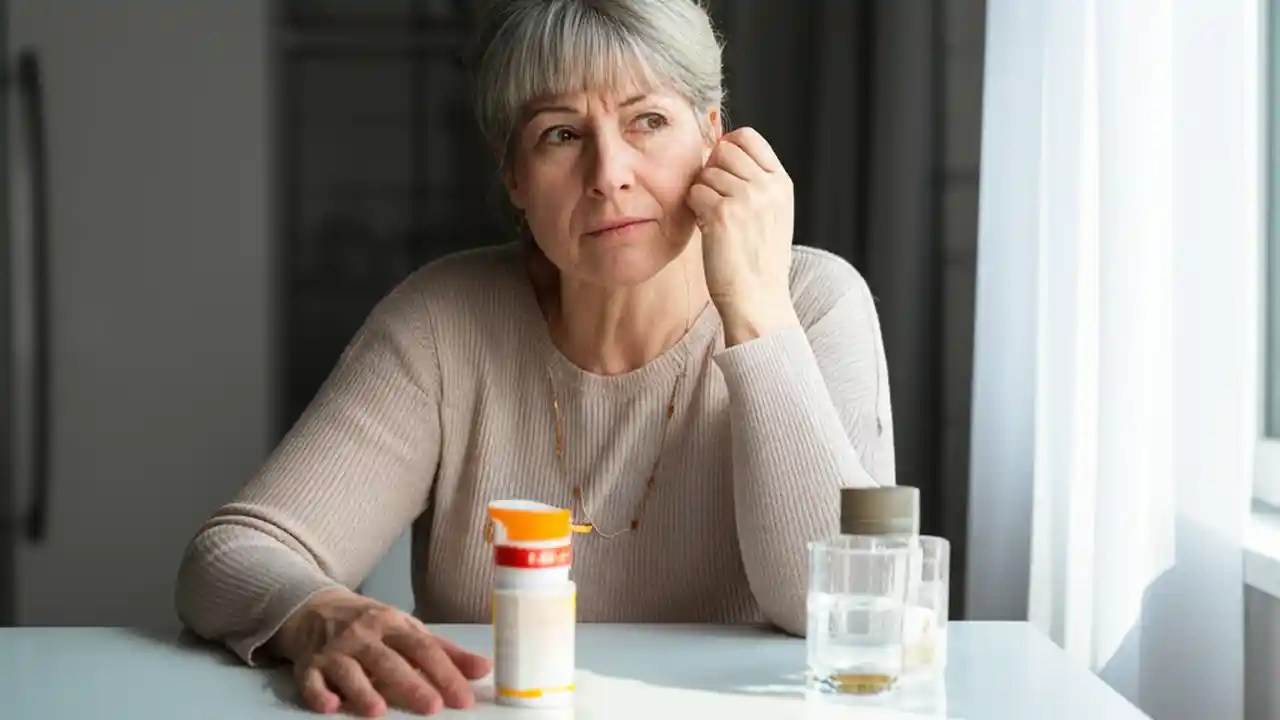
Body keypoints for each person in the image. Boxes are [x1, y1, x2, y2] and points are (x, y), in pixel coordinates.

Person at [174, 0, 896, 716]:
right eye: (560, 134)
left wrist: (757, 310)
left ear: (713, 136)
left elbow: (836, 610)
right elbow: (231, 554)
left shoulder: (812, 300)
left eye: (648, 120)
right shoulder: (444, 321)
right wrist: (319, 612)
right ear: (513, 174)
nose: (609, 173)